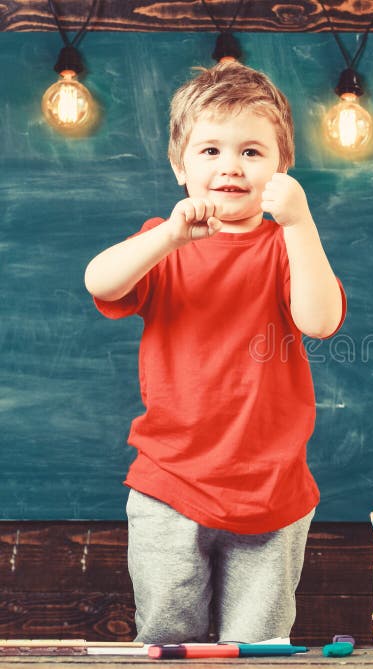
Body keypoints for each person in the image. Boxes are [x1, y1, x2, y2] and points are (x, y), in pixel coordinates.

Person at [84, 61, 346, 644]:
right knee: (168, 640)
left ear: (282, 168)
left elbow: (321, 319)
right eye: (210, 151)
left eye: (252, 151)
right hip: (169, 485)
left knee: (257, 647)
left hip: (273, 492)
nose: (230, 165)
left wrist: (300, 222)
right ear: (179, 166)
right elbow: (100, 282)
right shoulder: (164, 242)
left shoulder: (288, 246)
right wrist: (169, 236)